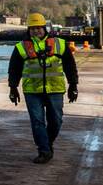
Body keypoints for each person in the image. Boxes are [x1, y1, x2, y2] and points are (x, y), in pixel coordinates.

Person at [8, 13, 78, 164]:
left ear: (44, 28)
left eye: (39, 28)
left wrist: (73, 84)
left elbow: (70, 66)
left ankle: (47, 142)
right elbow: (14, 69)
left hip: (55, 89)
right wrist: (13, 87)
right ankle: (44, 151)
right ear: (28, 29)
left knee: (56, 121)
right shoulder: (21, 47)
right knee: (37, 121)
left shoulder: (59, 44)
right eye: (32, 28)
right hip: (32, 91)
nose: (36, 31)